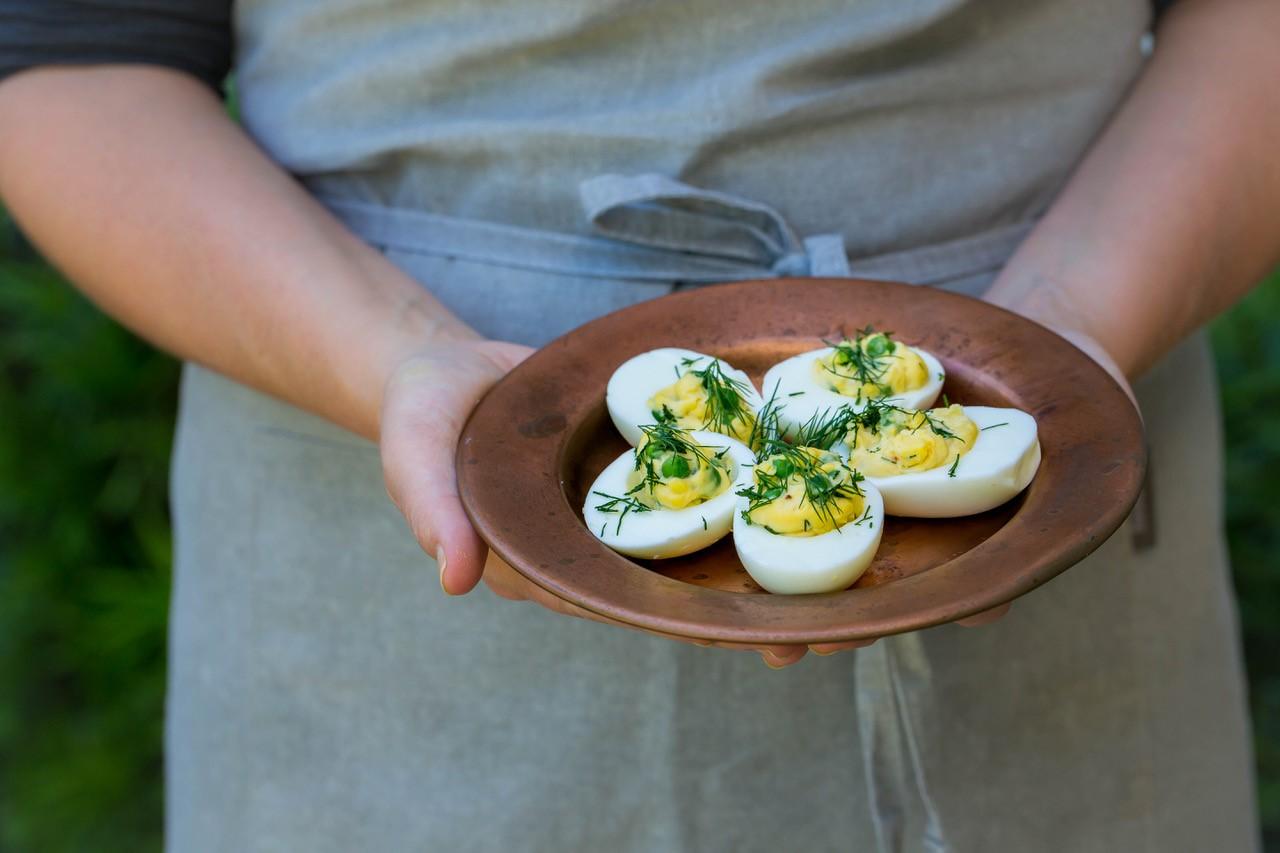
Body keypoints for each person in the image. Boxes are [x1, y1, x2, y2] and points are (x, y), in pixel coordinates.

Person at [0, 0, 1275, 849]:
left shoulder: (1036, 391)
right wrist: (397, 362)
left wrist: (1050, 349)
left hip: (1057, 472)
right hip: (377, 559)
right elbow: (62, 49)